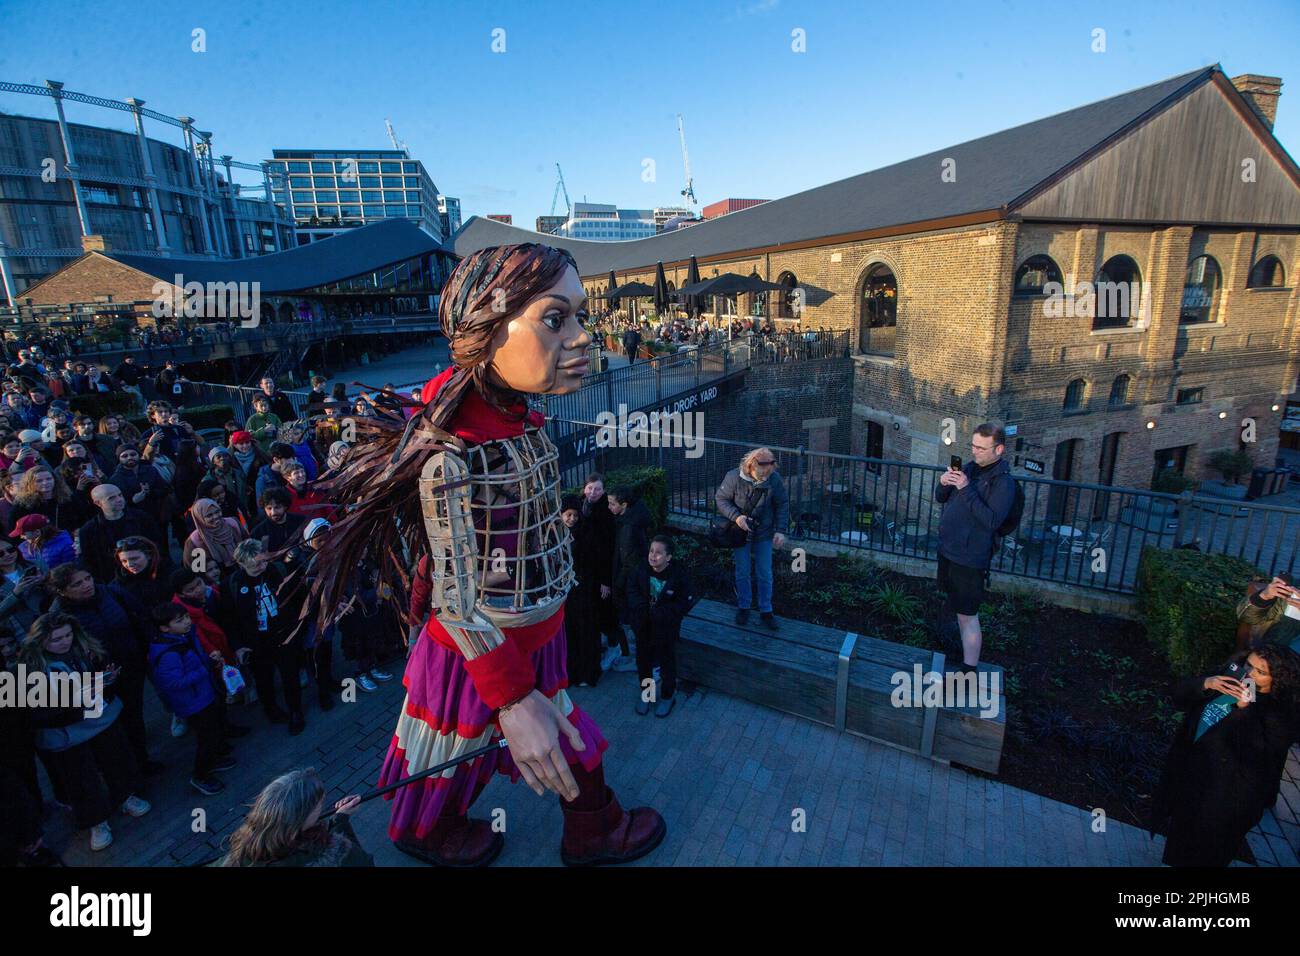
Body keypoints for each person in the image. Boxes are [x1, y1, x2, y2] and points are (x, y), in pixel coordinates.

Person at [309, 242, 664, 867]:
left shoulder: (518, 418)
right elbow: (454, 593)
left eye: (582, 316)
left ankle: (581, 828)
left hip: (535, 628)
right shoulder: (449, 454)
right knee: (458, 750)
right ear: (486, 329)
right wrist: (509, 696)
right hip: (484, 647)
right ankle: (438, 830)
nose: (584, 338)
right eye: (557, 319)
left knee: (538, 741)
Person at [1150, 643, 1300, 866]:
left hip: (1226, 797)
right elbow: (1177, 694)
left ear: (1278, 679)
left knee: (1207, 852)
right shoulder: (1230, 678)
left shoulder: (1281, 711)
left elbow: (1260, 751)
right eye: (1249, 665)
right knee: (1179, 841)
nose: (1249, 673)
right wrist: (1206, 683)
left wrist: (1243, 710)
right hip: (1192, 777)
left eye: (1261, 672)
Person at [19, 612, 152, 852]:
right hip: (65, 732)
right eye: (56, 638)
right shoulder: (30, 668)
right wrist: (74, 699)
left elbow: (103, 669)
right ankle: (96, 821)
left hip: (101, 717)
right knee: (80, 779)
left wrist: (108, 678)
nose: (65, 641)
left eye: (68, 635)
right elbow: (35, 709)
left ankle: (125, 796)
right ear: (40, 640)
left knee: (115, 760)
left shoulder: (87, 647)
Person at [48, 563, 159, 775]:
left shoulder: (111, 592)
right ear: (63, 591)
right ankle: (128, 773)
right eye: (77, 584)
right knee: (112, 728)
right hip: (97, 679)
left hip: (131, 666)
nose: (86, 585)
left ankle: (142, 762)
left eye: (87, 578)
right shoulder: (59, 615)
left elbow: (140, 618)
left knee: (133, 715)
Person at [934, 423, 1016, 672]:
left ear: (998, 449)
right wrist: (944, 482)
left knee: (968, 614)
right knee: (956, 608)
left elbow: (991, 520)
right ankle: (957, 652)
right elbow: (941, 497)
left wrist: (965, 488)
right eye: (972, 445)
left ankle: (969, 670)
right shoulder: (970, 468)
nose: (975, 452)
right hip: (949, 550)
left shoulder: (1003, 483)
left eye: (981, 448)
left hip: (970, 558)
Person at [147, 601, 238, 796]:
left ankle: (215, 759)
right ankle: (201, 775)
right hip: (193, 703)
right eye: (180, 620)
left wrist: (208, 660)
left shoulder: (183, 637)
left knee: (213, 731)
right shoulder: (168, 653)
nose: (187, 622)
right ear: (165, 628)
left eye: (186, 617)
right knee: (207, 738)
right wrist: (203, 670)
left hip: (204, 695)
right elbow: (173, 683)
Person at [219, 769, 373, 867]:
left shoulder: (241, 853)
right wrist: (340, 822)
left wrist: (340, 817)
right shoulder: (336, 855)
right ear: (300, 820)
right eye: (319, 805)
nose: (321, 808)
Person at [229, 539, 303, 734]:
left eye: (263, 561)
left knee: (290, 675)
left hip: (283, 635)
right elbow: (229, 618)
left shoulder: (277, 570)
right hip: (256, 642)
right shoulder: (234, 583)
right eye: (255, 566)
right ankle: (271, 710)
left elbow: (296, 595)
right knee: (264, 679)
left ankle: (296, 711)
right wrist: (238, 645)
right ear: (242, 564)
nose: (261, 567)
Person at [715, 447, 788, 630]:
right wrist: (737, 517)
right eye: (762, 472)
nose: (765, 476)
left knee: (765, 573)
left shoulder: (774, 479)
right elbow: (721, 499)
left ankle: (766, 610)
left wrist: (781, 530)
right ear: (751, 466)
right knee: (743, 571)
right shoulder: (733, 477)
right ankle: (744, 606)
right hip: (741, 533)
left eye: (769, 472)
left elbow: (782, 504)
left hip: (764, 533)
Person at [625, 534, 693, 717]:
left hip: (665, 628)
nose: (653, 556)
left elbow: (682, 603)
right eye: (651, 551)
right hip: (643, 626)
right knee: (644, 661)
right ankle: (647, 695)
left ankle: (668, 696)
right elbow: (632, 590)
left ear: (669, 557)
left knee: (666, 662)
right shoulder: (641, 569)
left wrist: (661, 613)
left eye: (659, 553)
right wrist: (642, 610)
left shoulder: (678, 576)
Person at [579, 473, 625, 671]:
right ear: (584, 489)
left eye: (597, 489)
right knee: (594, 611)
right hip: (587, 571)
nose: (593, 492)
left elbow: (608, 550)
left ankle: (615, 647)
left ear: (603, 491)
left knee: (607, 611)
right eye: (590, 488)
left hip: (602, 572)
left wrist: (606, 581)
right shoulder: (580, 507)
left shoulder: (606, 512)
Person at [75, 484, 165, 584]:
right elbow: (89, 561)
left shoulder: (142, 518)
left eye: (120, 495)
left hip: (146, 575)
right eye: (111, 498)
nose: (119, 499)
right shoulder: (89, 530)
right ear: (98, 503)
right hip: (112, 580)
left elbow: (158, 546)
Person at [607, 486, 650, 671]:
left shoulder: (628, 528)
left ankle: (632, 657)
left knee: (629, 621)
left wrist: (618, 583)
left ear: (623, 505)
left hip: (628, 583)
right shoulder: (628, 520)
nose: (609, 507)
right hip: (632, 581)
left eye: (612, 504)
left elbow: (628, 561)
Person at [560, 495, 602, 687]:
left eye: (575, 515)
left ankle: (587, 672)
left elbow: (591, 560)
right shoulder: (556, 533)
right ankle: (573, 673)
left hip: (583, 589)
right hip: (567, 591)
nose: (572, 519)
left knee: (585, 630)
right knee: (570, 633)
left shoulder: (585, 533)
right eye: (568, 515)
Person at [183, 498, 246, 583]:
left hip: (244, 573)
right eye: (209, 515)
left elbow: (248, 545)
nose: (216, 517)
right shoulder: (195, 541)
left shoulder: (232, 524)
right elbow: (198, 572)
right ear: (200, 517)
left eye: (217, 512)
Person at [251, 488, 307, 554]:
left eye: (277, 507)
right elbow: (258, 557)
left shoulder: (301, 521)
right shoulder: (258, 532)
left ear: (285, 506)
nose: (273, 512)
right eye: (269, 508)